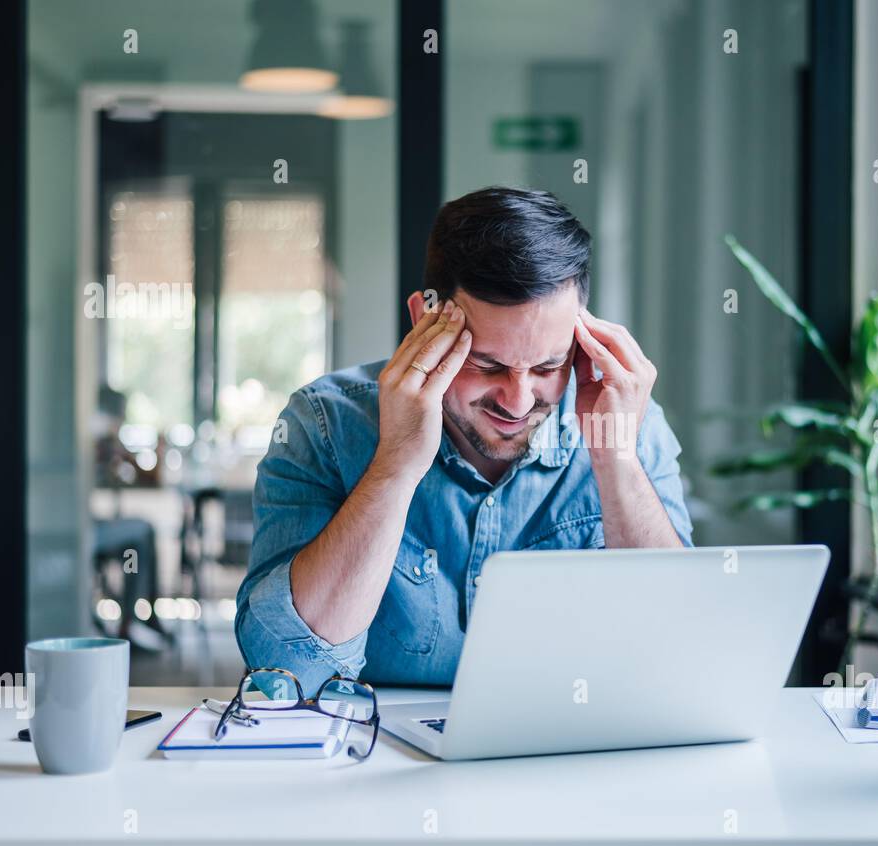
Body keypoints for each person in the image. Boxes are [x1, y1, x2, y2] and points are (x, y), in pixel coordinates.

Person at [235, 186, 691, 688]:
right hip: (377, 754)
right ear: (424, 321)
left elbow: (678, 651)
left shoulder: (624, 420)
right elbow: (286, 669)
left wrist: (616, 460)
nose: (518, 402)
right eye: (487, 364)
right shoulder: (322, 424)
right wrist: (396, 466)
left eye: (548, 365)